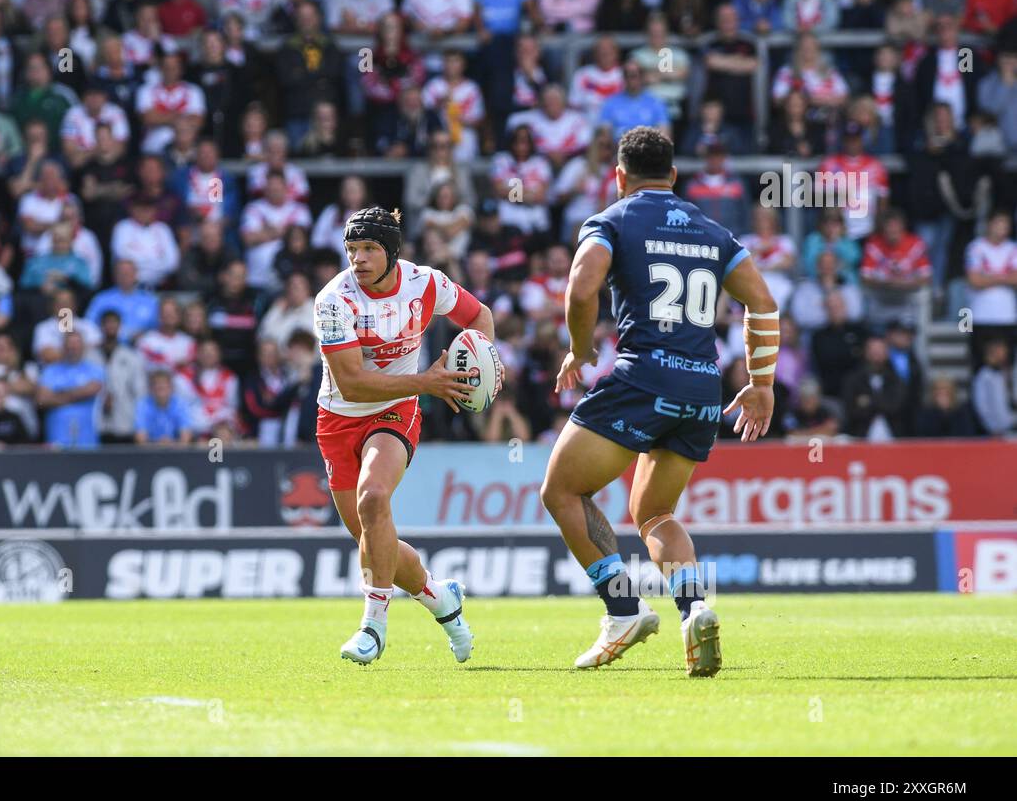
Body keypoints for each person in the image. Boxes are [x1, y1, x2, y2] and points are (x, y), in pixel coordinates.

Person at [539, 127, 777, 678]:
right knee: (654, 512)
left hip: (643, 380)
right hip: (702, 389)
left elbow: (580, 288)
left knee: (561, 489)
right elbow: (762, 304)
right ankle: (695, 609)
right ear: (674, 176)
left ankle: (623, 608)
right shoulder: (715, 231)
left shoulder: (612, 220)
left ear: (619, 176)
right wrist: (761, 383)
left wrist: (579, 348)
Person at [314, 205, 499, 665]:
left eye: (370, 248)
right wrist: (427, 382)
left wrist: (485, 367)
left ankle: (372, 629)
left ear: (392, 251)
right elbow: (352, 382)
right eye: (352, 249)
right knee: (374, 542)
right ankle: (442, 601)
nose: (358, 259)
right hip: (338, 417)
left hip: (395, 411)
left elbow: (480, 318)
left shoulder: (427, 283)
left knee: (373, 498)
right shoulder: (333, 300)